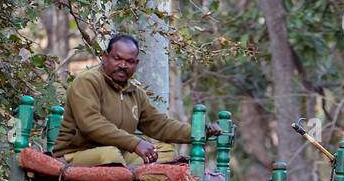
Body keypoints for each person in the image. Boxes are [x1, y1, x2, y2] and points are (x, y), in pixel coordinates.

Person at [54, 34, 221, 166]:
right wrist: (135, 143)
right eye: (117, 58)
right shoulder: (87, 81)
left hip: (121, 155)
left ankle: (130, 173)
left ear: (136, 63)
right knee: (110, 154)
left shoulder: (135, 93)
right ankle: (132, 172)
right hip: (77, 154)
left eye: (129, 61)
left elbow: (159, 125)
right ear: (105, 57)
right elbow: (91, 124)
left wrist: (198, 132)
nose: (123, 65)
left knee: (167, 151)